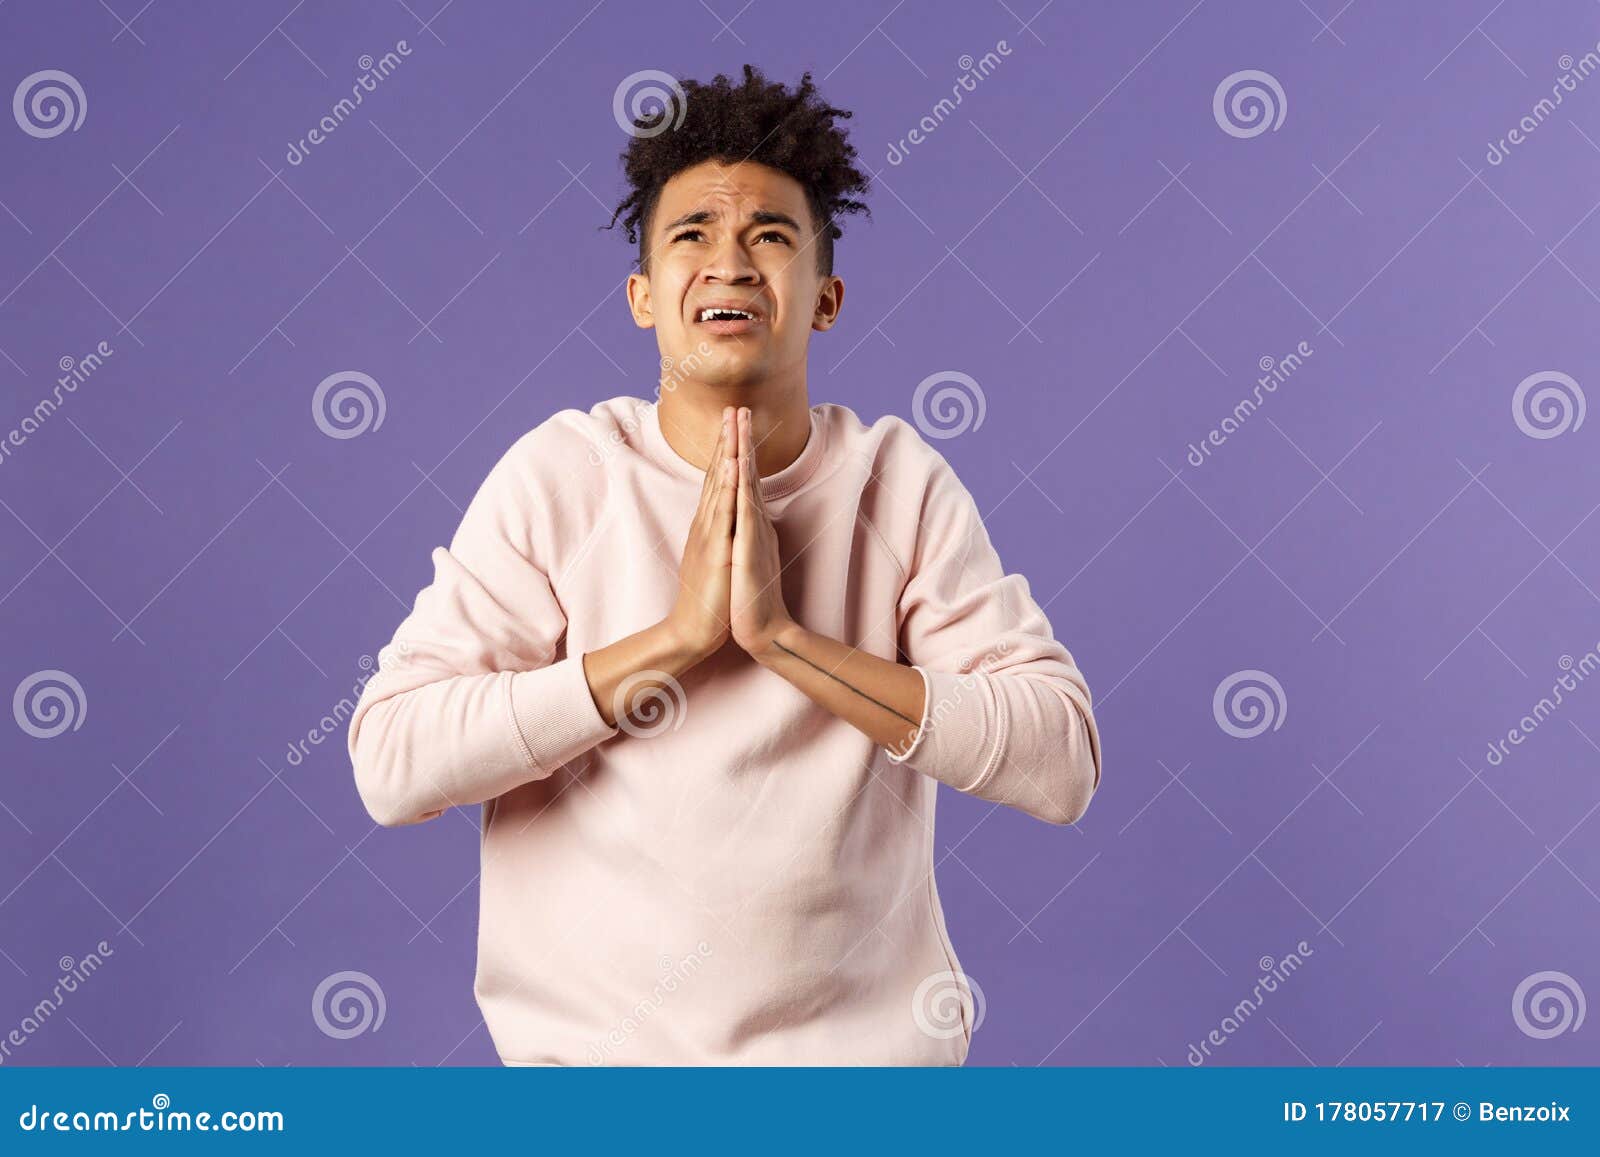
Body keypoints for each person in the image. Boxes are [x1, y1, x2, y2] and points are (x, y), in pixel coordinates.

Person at [347, 64, 1102, 1066]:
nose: (731, 264)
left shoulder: (896, 482)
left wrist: (785, 642)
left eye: (771, 236)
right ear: (643, 297)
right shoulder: (563, 476)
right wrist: (675, 641)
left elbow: (1060, 762)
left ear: (825, 298)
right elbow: (392, 763)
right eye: (692, 235)